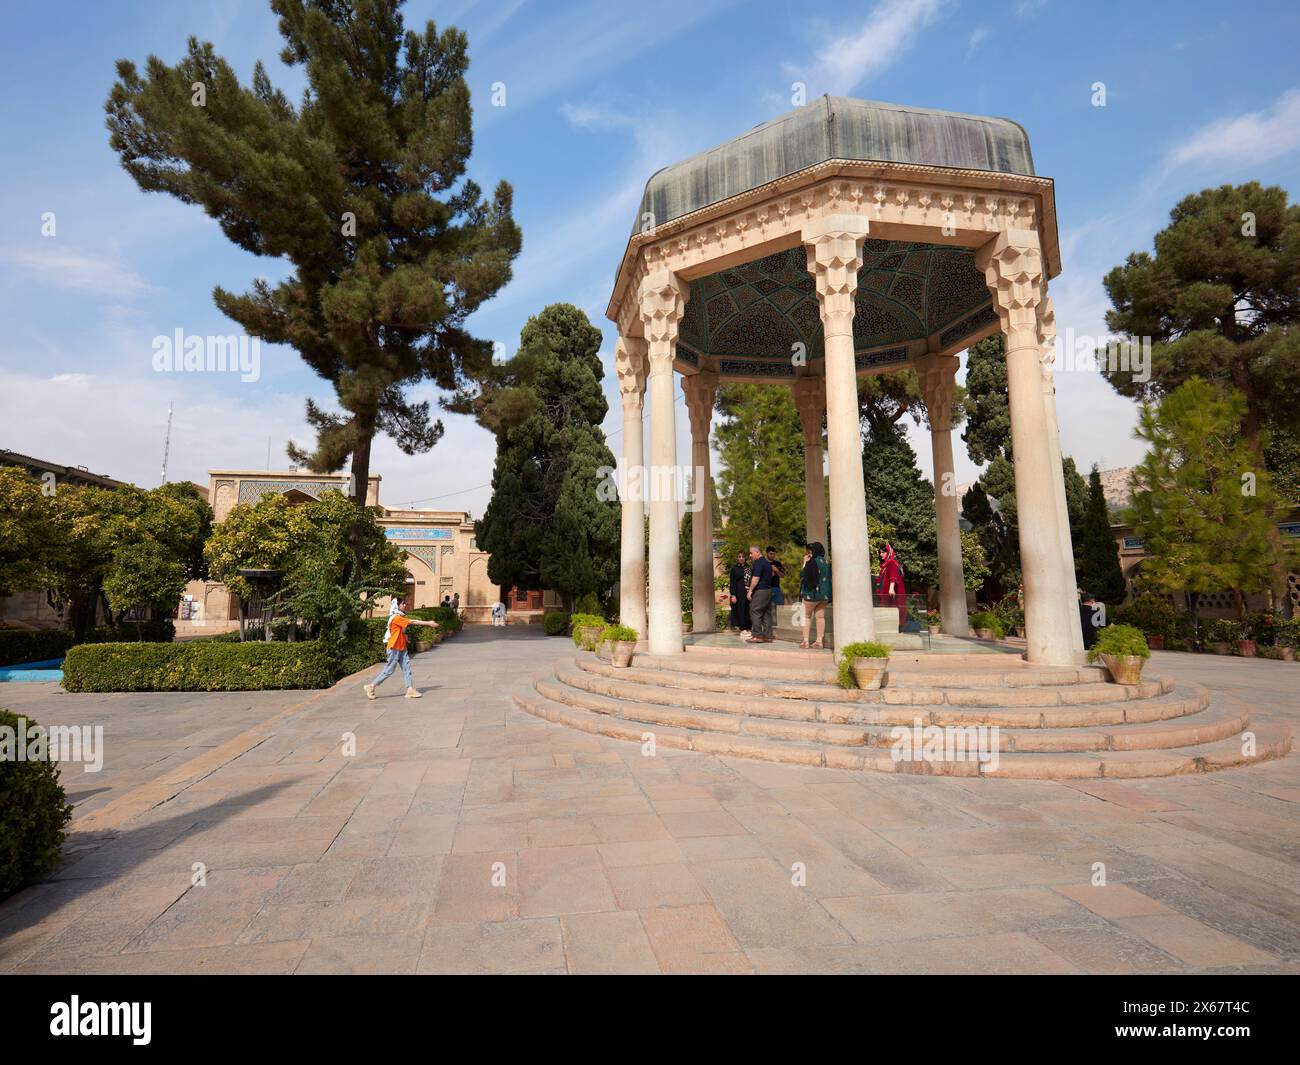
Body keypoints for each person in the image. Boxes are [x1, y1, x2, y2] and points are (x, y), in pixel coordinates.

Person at [364, 599, 424, 700]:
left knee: (407, 668)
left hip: (402, 648)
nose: (404, 605)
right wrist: (429, 623)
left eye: (404, 603)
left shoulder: (400, 617)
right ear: (396, 606)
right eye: (402, 604)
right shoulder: (396, 618)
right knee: (389, 670)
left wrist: (405, 637)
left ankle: (410, 689)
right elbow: (412, 622)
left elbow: (401, 631)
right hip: (394, 648)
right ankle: (371, 686)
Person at [799, 541, 831, 648]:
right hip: (824, 595)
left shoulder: (811, 561)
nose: (809, 552)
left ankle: (805, 641)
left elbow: (803, 574)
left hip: (811, 595)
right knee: (820, 617)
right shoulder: (827, 563)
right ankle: (819, 641)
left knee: (806, 616)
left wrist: (804, 563)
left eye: (811, 550)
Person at [746, 544, 775, 643]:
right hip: (768, 590)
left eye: (751, 553)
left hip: (760, 591)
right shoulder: (767, 563)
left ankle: (757, 636)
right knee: (766, 613)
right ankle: (767, 636)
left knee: (755, 611)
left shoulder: (758, 562)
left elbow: (756, 578)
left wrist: (750, 591)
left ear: (757, 552)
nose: (750, 555)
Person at [876, 542, 908, 628]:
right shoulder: (886, 565)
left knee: (893, 612)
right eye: (880, 552)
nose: (881, 554)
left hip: (892, 594)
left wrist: (891, 588)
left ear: (889, 552)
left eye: (883, 552)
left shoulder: (892, 563)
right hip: (888, 594)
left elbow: (893, 576)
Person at [728, 550, 751, 632]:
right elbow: (732, 582)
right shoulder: (734, 569)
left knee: (748, 610)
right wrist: (733, 595)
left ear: (745, 558)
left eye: (743, 557)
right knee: (740, 609)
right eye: (739, 557)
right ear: (737, 558)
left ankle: (748, 628)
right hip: (739, 593)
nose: (741, 558)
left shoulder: (748, 568)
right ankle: (742, 628)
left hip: (748, 592)